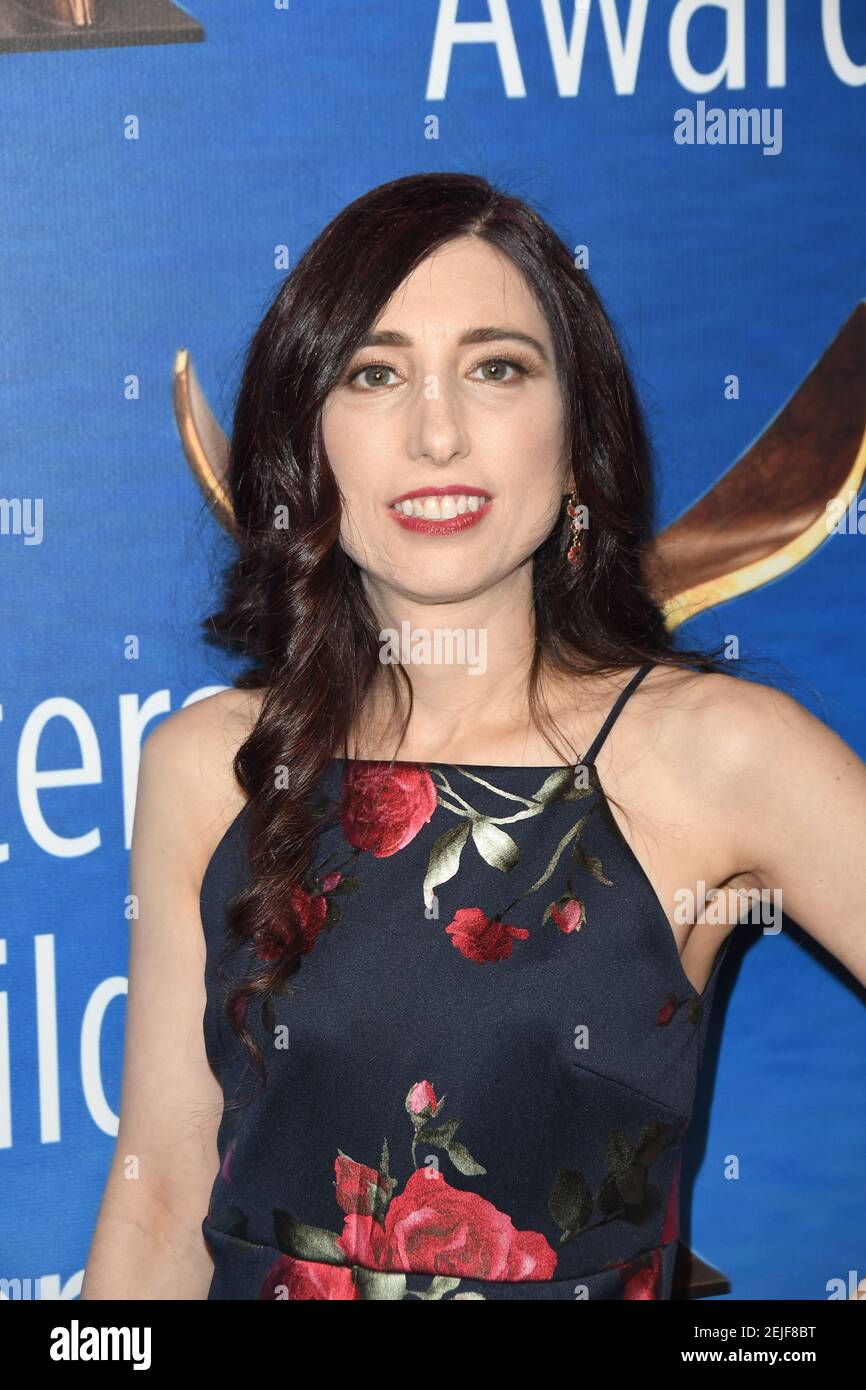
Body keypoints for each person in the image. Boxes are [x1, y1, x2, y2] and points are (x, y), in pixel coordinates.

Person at [82, 173, 866, 1301]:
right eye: (374, 372)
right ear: (309, 435)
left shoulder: (715, 754)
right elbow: (159, 1197)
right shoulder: (212, 765)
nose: (436, 430)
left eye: (496, 367)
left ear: (573, 426)